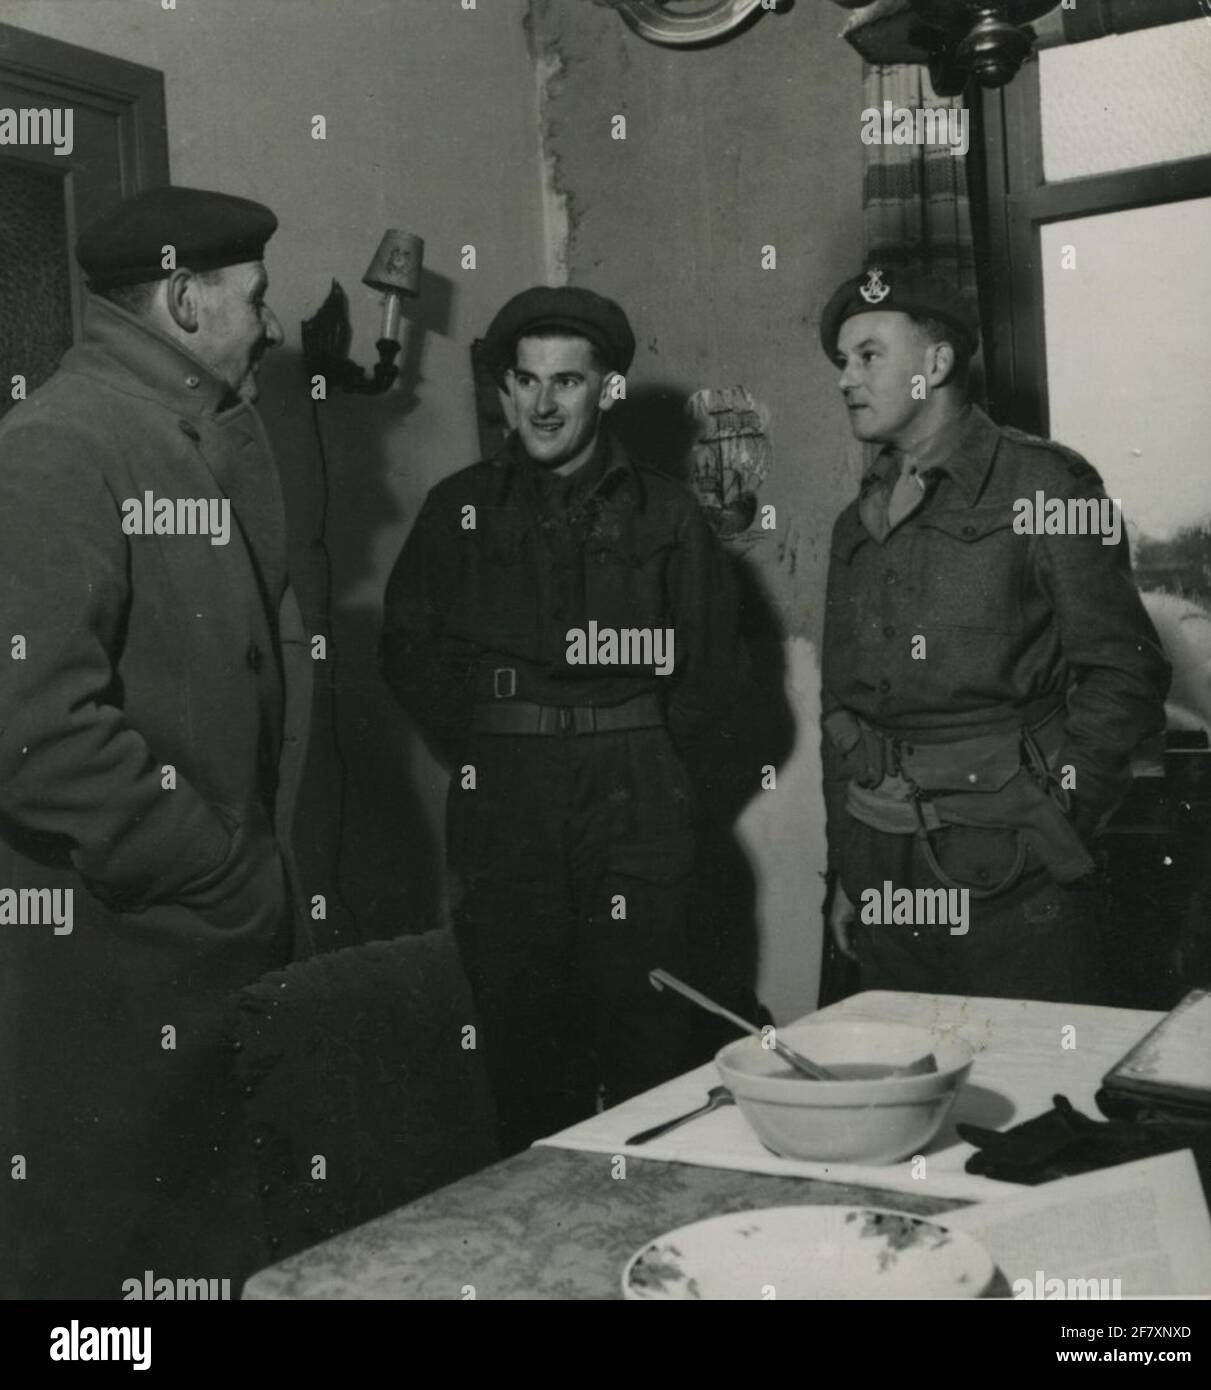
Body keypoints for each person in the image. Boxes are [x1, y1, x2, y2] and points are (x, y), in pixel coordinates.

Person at [0, 186, 311, 1298]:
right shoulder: (60, 445)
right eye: (255, 300)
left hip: (198, 957)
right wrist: (212, 868)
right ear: (185, 299)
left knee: (205, 1251)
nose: (272, 323)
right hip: (123, 969)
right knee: (104, 1277)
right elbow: (31, 727)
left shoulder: (179, 433)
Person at [381, 286, 740, 1154]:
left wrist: (650, 758)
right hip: (510, 796)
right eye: (526, 381)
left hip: (636, 792)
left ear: (604, 391)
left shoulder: (667, 512)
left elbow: (711, 672)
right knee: (521, 1037)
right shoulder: (456, 506)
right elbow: (409, 652)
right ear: (505, 390)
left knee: (649, 1034)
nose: (543, 404)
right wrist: (494, 742)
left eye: (567, 382)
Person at [818, 264, 1171, 1003]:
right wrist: (848, 876)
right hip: (883, 863)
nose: (847, 378)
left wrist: (1059, 817)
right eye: (842, 361)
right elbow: (839, 712)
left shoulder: (1046, 486)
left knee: (1026, 1093)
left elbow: (1124, 671)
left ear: (936, 363)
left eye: (869, 355)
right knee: (904, 1085)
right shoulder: (857, 523)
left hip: (1013, 864)